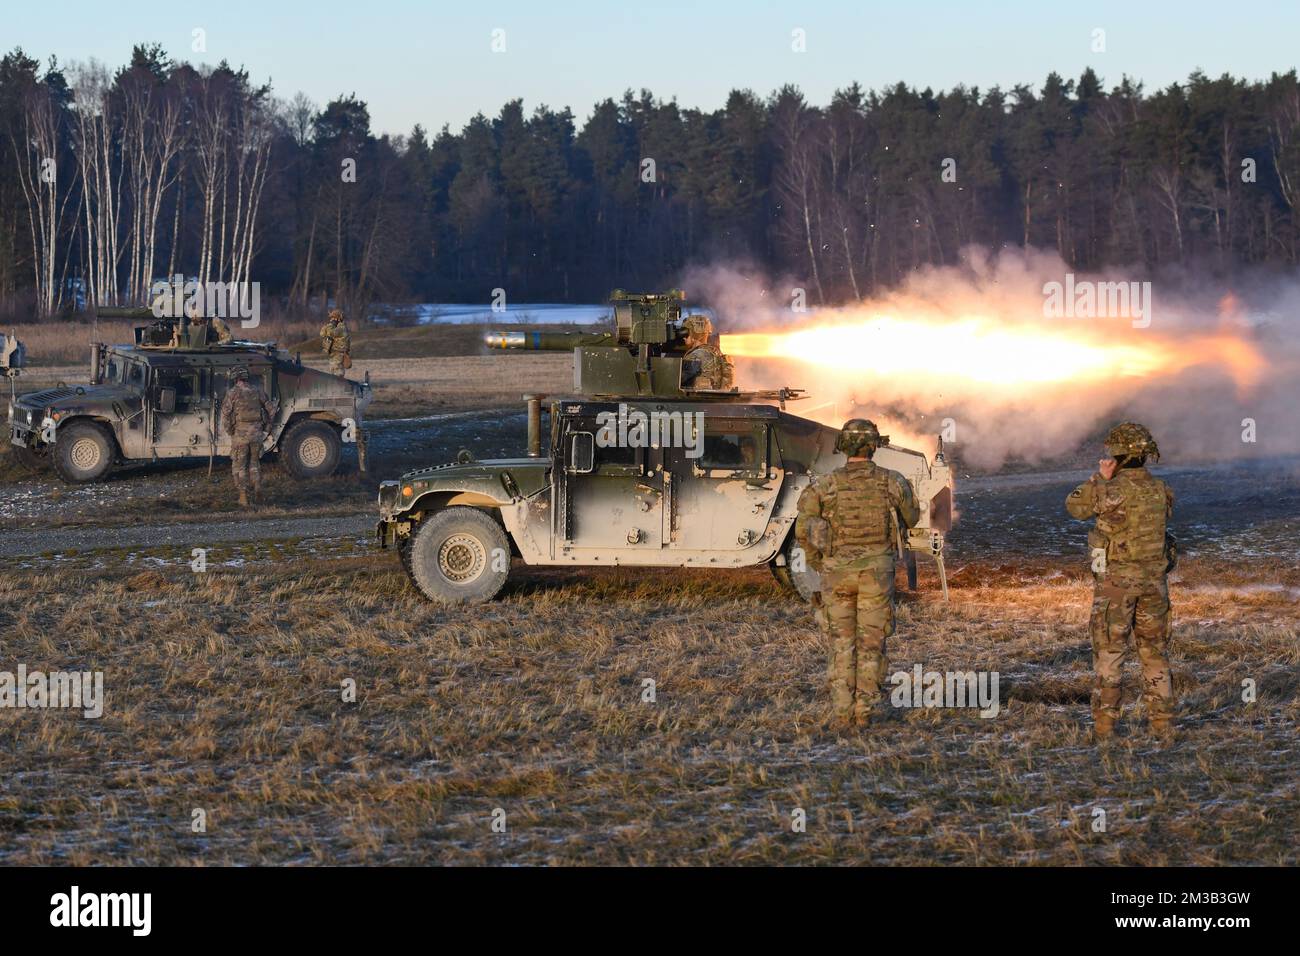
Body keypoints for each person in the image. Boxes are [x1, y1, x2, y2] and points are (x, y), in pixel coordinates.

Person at [796, 419, 920, 729]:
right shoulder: (892, 481)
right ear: (873, 447)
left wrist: (820, 563)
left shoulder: (824, 485)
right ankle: (864, 713)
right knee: (871, 644)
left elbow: (804, 530)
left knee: (841, 643)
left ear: (842, 447)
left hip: (837, 575)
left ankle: (841, 713)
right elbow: (913, 517)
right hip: (877, 575)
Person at [1066, 422, 1177, 742]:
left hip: (1115, 584)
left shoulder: (1107, 488)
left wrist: (1100, 477)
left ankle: (1105, 728)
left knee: (1110, 654)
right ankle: (1163, 726)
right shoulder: (1159, 489)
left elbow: (1075, 507)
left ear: (1119, 454)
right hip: (1155, 584)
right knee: (1155, 654)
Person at [220, 366, 274, 508]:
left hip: (240, 435)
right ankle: (257, 490)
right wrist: (267, 428)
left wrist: (229, 430)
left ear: (235, 378)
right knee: (255, 464)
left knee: (240, 465)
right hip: (257, 435)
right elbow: (271, 410)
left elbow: (225, 415)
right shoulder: (258, 391)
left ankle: (243, 497)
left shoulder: (232, 393)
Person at [679, 314, 734, 390]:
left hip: (697, 400)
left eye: (686, 332)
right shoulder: (716, 353)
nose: (684, 337)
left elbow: (678, 381)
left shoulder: (696, 356)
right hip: (714, 399)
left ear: (694, 334)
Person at [320, 309, 351, 376]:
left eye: (333, 318)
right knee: (333, 372)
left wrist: (330, 325)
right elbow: (322, 334)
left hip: (338, 355)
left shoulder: (341, 328)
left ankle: (339, 386)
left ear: (337, 319)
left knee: (338, 373)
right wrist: (329, 326)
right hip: (334, 355)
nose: (331, 320)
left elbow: (331, 333)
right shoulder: (336, 327)